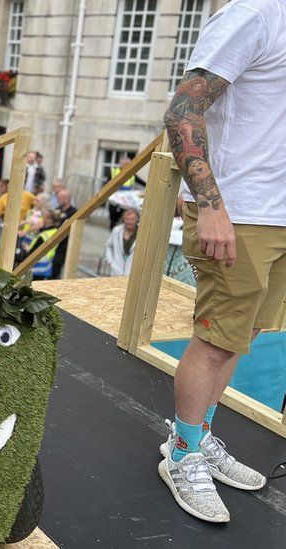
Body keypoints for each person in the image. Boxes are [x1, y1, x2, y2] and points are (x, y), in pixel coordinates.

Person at [158, 0, 284, 524]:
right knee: (213, 341)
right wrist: (211, 207)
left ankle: (200, 435)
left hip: (278, 214)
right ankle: (182, 455)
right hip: (240, 211)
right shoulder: (256, 14)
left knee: (244, 335)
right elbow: (183, 110)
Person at [102, 208, 138, 276]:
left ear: (137, 220)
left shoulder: (141, 234)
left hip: (132, 274)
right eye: (127, 219)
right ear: (123, 220)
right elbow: (109, 246)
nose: (129, 222)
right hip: (116, 271)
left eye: (132, 219)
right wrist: (110, 262)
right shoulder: (116, 231)